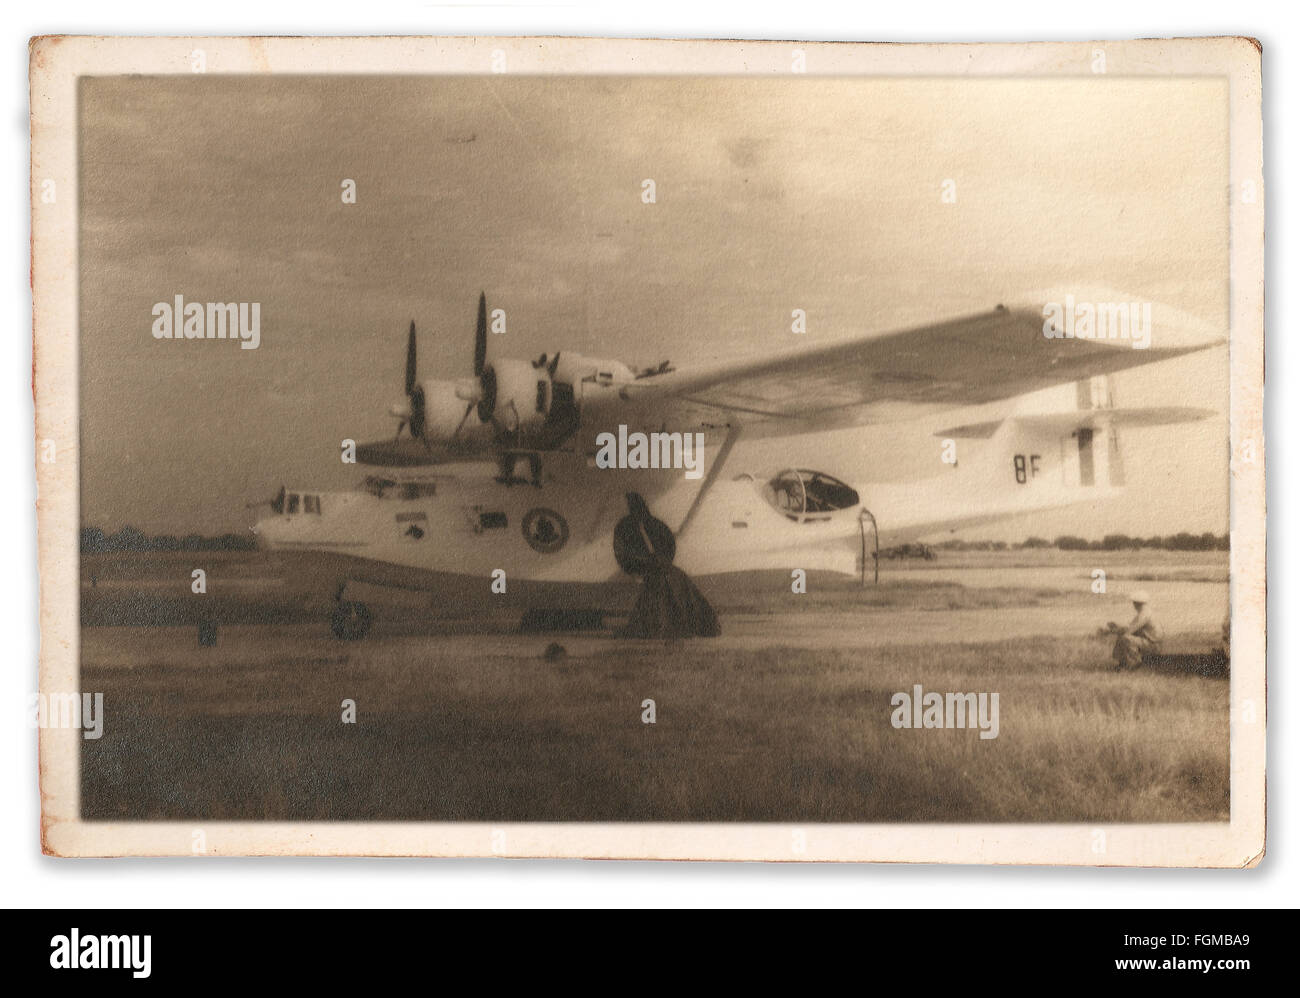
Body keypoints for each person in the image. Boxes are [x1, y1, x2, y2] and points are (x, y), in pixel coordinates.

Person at [614, 491, 720, 638]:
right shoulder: (647, 526)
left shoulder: (643, 527)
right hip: (666, 572)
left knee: (662, 601)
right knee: (677, 598)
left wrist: (649, 561)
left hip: (661, 573)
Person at [1108, 590, 1162, 671]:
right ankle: (1123, 663)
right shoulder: (1145, 612)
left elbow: (1129, 631)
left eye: (1134, 602)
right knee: (1123, 637)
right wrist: (1118, 628)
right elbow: (1131, 626)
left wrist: (1114, 630)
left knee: (1126, 638)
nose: (1133, 605)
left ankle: (1134, 663)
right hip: (1150, 642)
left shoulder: (1144, 614)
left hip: (1153, 645)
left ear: (1137, 603)